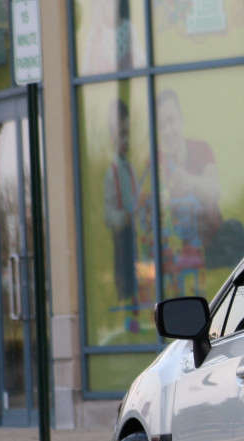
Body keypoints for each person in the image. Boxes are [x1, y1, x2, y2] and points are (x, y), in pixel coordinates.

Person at [156, 89, 244, 296]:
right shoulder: (155, 164)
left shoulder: (200, 149)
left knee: (235, 229)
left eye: (171, 121)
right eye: (162, 126)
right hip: (176, 248)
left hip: (213, 245)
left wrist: (187, 181)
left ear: (181, 120)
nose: (168, 130)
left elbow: (213, 191)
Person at [103, 98, 141, 333]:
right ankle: (128, 321)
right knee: (126, 279)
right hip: (122, 237)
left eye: (128, 133)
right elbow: (108, 214)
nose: (125, 140)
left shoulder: (130, 168)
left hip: (135, 234)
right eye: (121, 134)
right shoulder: (112, 172)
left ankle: (135, 318)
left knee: (137, 278)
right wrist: (124, 217)